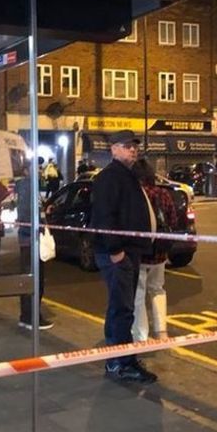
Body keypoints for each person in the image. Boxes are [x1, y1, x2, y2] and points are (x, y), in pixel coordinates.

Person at [91, 129, 156, 383]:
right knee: (122, 309)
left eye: (134, 146)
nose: (133, 149)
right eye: (127, 145)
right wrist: (116, 250)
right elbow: (105, 217)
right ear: (113, 149)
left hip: (129, 251)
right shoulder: (110, 178)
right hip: (119, 253)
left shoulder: (127, 176)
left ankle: (119, 359)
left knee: (120, 308)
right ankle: (122, 363)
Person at [130, 159, 178, 342]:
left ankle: (141, 336)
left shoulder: (136, 194)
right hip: (160, 251)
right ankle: (161, 332)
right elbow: (173, 221)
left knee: (139, 294)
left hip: (141, 252)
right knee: (158, 289)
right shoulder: (163, 193)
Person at [15, 165, 54, 330]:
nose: (38, 171)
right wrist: (34, 230)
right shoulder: (27, 186)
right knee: (34, 280)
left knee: (34, 279)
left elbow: (33, 210)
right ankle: (31, 318)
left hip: (32, 238)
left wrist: (45, 210)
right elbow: (25, 214)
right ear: (26, 171)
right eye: (34, 168)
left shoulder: (32, 186)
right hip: (31, 240)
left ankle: (28, 316)